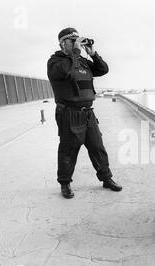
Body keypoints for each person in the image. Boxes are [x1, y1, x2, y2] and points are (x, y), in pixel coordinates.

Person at [47, 27, 122, 198]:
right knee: (68, 151)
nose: (76, 44)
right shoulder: (55, 62)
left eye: (77, 40)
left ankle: (106, 178)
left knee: (98, 148)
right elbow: (64, 71)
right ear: (62, 43)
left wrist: (93, 53)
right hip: (69, 114)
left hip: (88, 113)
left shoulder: (81, 61)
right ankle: (65, 184)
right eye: (72, 41)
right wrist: (75, 52)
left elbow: (103, 69)